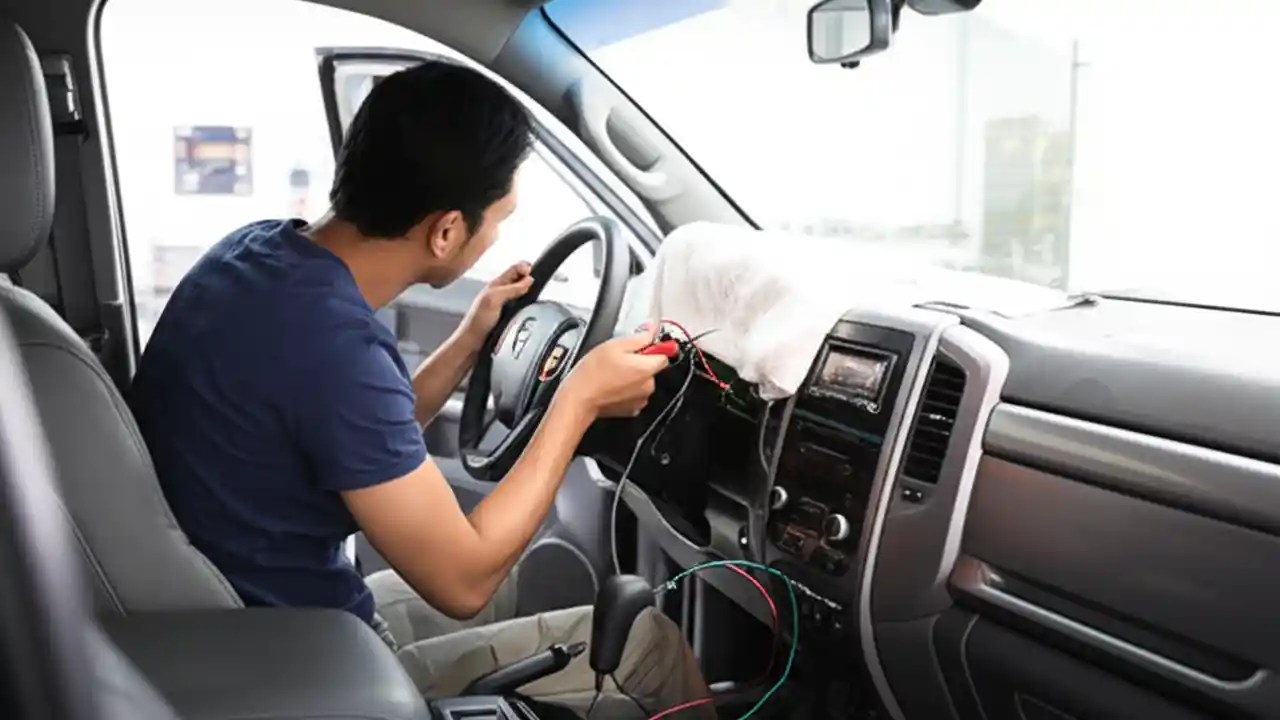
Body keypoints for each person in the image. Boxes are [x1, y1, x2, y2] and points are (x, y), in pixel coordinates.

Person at [129, 60, 711, 718]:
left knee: (523, 581)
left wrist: (470, 339)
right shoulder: (336, 348)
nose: (497, 237)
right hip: (317, 672)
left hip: (266, 623)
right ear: (445, 231)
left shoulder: (255, 256)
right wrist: (577, 402)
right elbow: (462, 580)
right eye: (497, 220)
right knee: (650, 642)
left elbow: (360, 433)